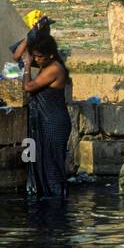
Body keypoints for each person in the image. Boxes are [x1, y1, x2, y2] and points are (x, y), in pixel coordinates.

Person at [20, 20, 71, 200]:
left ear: (49, 55)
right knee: (38, 160)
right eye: (34, 56)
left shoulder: (54, 69)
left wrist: (27, 67)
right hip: (43, 120)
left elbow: (29, 87)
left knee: (52, 164)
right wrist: (31, 34)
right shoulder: (44, 63)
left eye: (39, 56)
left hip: (54, 122)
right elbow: (16, 55)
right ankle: (45, 201)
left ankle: (57, 204)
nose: (36, 60)